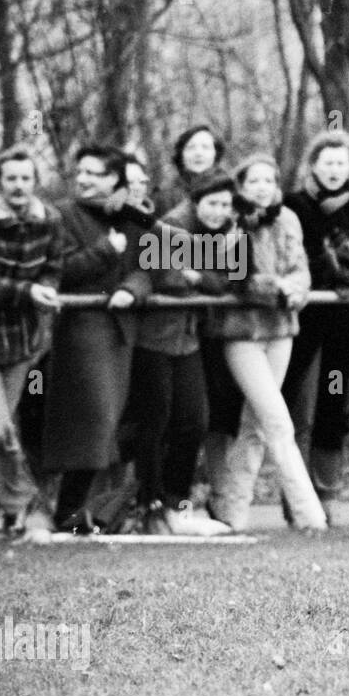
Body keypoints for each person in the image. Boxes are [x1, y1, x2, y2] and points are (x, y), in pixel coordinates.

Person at [206, 153, 326, 532]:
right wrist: (278, 287)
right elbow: (237, 278)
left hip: (281, 330)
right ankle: (311, 515)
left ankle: (231, 511)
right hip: (242, 333)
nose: (263, 187)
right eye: (254, 181)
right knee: (277, 421)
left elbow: (300, 267)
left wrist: (296, 288)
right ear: (241, 187)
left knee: (255, 426)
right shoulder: (231, 222)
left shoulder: (288, 218)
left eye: (269, 181)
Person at [45, 145, 156, 531]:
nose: (84, 179)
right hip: (81, 331)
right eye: (81, 172)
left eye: (94, 173)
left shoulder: (130, 216)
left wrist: (132, 288)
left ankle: (83, 514)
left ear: (114, 180)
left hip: (121, 331)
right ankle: (66, 514)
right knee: (91, 423)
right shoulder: (62, 214)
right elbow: (60, 269)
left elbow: (146, 267)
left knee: (108, 428)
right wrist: (106, 251)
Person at [128, 170, 237, 535]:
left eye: (225, 204)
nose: (219, 210)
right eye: (213, 203)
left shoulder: (226, 232)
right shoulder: (170, 226)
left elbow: (225, 281)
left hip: (188, 337)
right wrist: (189, 275)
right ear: (196, 201)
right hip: (154, 336)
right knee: (154, 422)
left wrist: (198, 275)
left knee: (194, 420)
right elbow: (162, 276)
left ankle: (177, 504)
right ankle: (150, 505)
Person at [282, 130, 349, 523]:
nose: (335, 170)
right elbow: (299, 255)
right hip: (303, 322)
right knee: (296, 406)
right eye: (328, 162)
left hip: (341, 324)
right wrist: (328, 272)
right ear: (314, 165)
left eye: (342, 162)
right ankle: (294, 498)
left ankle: (328, 492)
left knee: (332, 404)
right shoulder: (295, 203)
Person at [0, 145, 62, 537]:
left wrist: (46, 288)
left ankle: (4, 512)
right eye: (11, 178)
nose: (18, 186)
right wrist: (28, 291)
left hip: (21, 340)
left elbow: (54, 266)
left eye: (25, 178)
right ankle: (19, 503)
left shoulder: (49, 219)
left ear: (35, 182)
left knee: (2, 429)